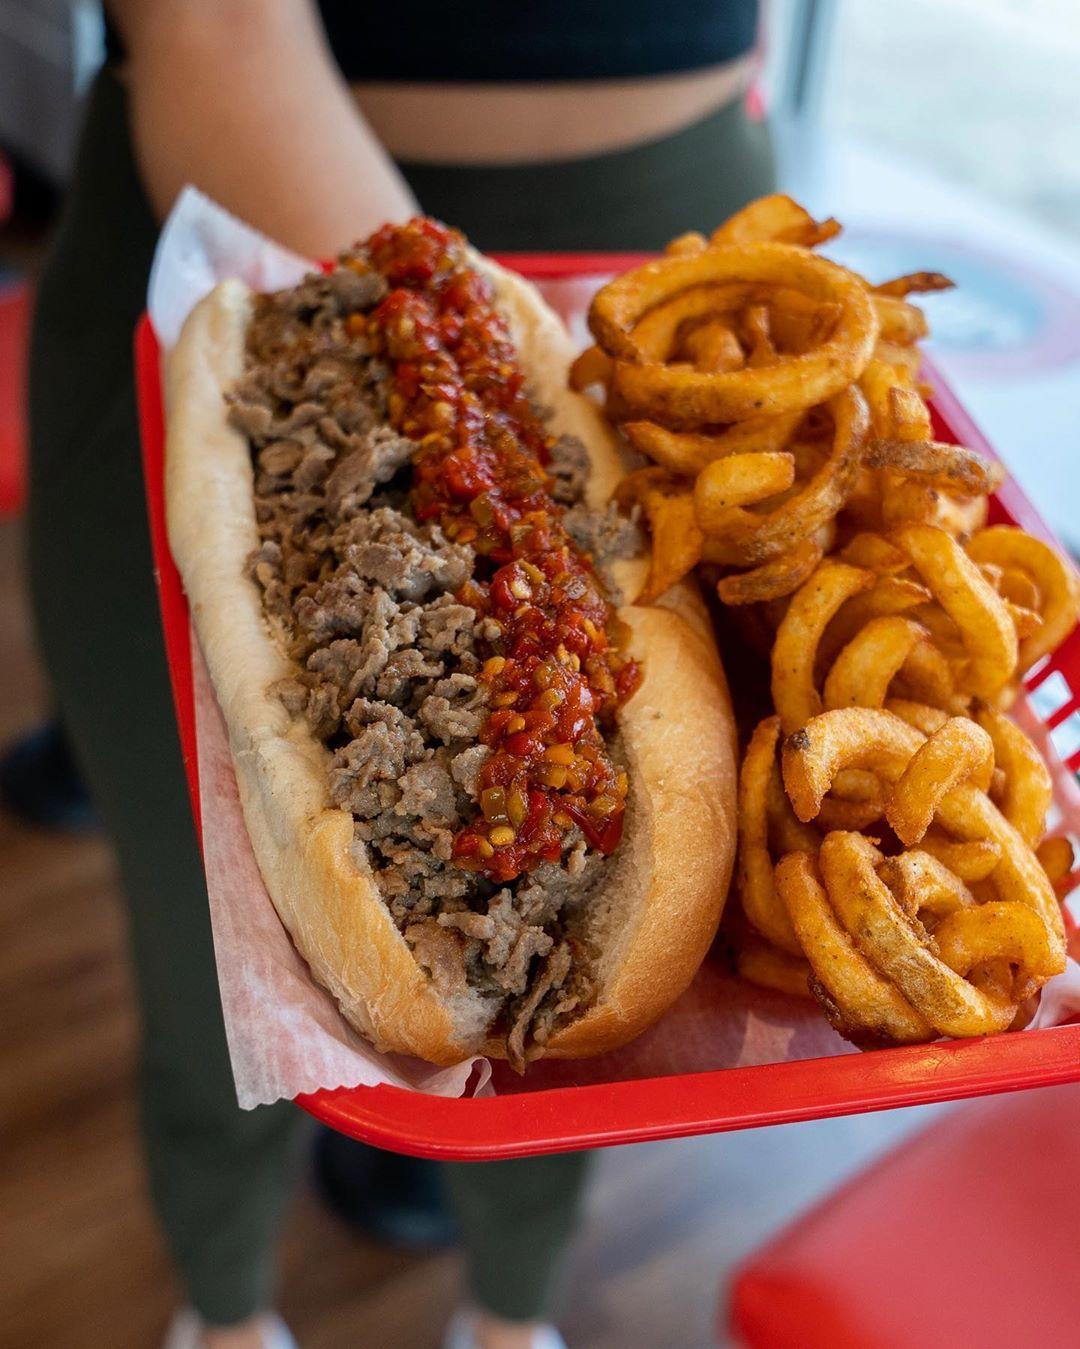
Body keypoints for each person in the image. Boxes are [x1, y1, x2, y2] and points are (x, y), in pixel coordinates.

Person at [26, 3, 773, 1347]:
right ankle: (227, 1307)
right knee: (207, 994)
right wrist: (429, 325)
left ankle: (513, 1313)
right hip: (222, 168)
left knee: (574, 1055)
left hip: (669, 226)